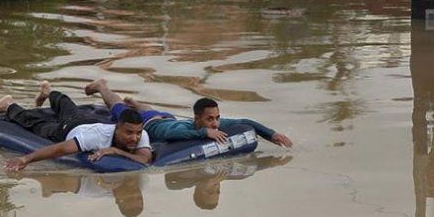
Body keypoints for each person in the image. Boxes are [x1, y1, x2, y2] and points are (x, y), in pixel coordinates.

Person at [0, 81, 152, 171]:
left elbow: (144, 160)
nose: (134, 138)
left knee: (68, 106)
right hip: (71, 128)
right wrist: (25, 159)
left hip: (88, 120)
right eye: (129, 133)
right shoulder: (96, 137)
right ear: (117, 127)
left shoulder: (141, 134)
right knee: (38, 125)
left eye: (137, 133)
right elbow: (60, 149)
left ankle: (48, 92)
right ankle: (9, 105)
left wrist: (115, 151)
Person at [85, 78, 293, 148]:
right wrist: (204, 134)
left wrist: (272, 134)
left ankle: (134, 102)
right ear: (197, 119)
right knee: (117, 107)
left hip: (165, 116)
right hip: (153, 124)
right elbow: (169, 135)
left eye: (217, 118)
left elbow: (245, 121)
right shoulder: (184, 128)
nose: (215, 124)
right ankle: (102, 86)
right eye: (209, 119)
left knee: (149, 110)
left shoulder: (214, 126)